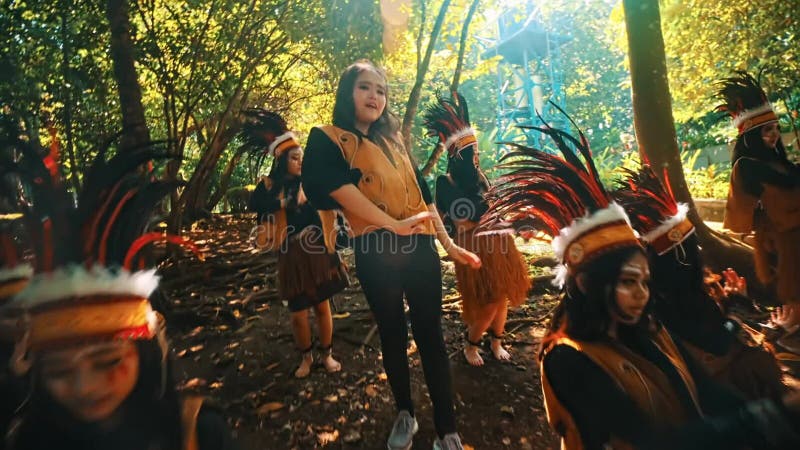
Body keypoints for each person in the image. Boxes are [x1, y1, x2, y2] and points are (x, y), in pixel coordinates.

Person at [482, 121, 800, 449]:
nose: (642, 294)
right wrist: (769, 417)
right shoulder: (567, 358)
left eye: (646, 282)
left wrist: (774, 416)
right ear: (587, 283)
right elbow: (651, 441)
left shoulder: (651, 329)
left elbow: (707, 393)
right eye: (628, 281)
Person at [0, 133, 238, 450]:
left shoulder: (200, 434)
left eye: (108, 361)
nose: (85, 387)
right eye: (58, 371)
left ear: (146, 351)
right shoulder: (24, 441)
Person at [302, 60, 481, 450]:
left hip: (419, 249)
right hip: (375, 252)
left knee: (431, 334)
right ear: (348, 93)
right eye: (365, 87)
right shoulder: (328, 138)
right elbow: (332, 186)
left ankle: (447, 430)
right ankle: (405, 413)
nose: (375, 97)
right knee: (392, 333)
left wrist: (450, 247)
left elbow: (424, 197)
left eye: (381, 91)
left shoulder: (395, 142)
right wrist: (392, 225)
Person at [613, 164, 786, 400]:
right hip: (726, 394)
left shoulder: (674, 291)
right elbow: (719, 342)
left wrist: (730, 303)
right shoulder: (666, 305)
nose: (701, 251)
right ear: (683, 259)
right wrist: (736, 308)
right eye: (694, 247)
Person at [422, 92, 529, 366]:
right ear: (460, 156)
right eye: (473, 152)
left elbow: (492, 210)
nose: (477, 156)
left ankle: (496, 341)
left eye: (477, 151)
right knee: (488, 300)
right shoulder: (445, 182)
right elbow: (462, 216)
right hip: (474, 248)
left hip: (500, 244)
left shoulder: (481, 178)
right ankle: (471, 344)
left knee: (501, 297)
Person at [242, 109, 348, 378]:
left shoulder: (309, 184)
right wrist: (286, 202)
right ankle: (306, 358)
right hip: (290, 254)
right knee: (298, 313)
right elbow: (255, 204)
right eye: (294, 158)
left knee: (322, 307)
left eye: (302, 157)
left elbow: (330, 211)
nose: (300, 162)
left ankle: (327, 355)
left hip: (318, 251)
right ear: (281, 160)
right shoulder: (269, 186)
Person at [717, 71, 800, 307]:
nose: (775, 135)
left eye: (776, 128)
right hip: (780, 240)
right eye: (767, 130)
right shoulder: (747, 166)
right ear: (753, 135)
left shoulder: (782, 164)